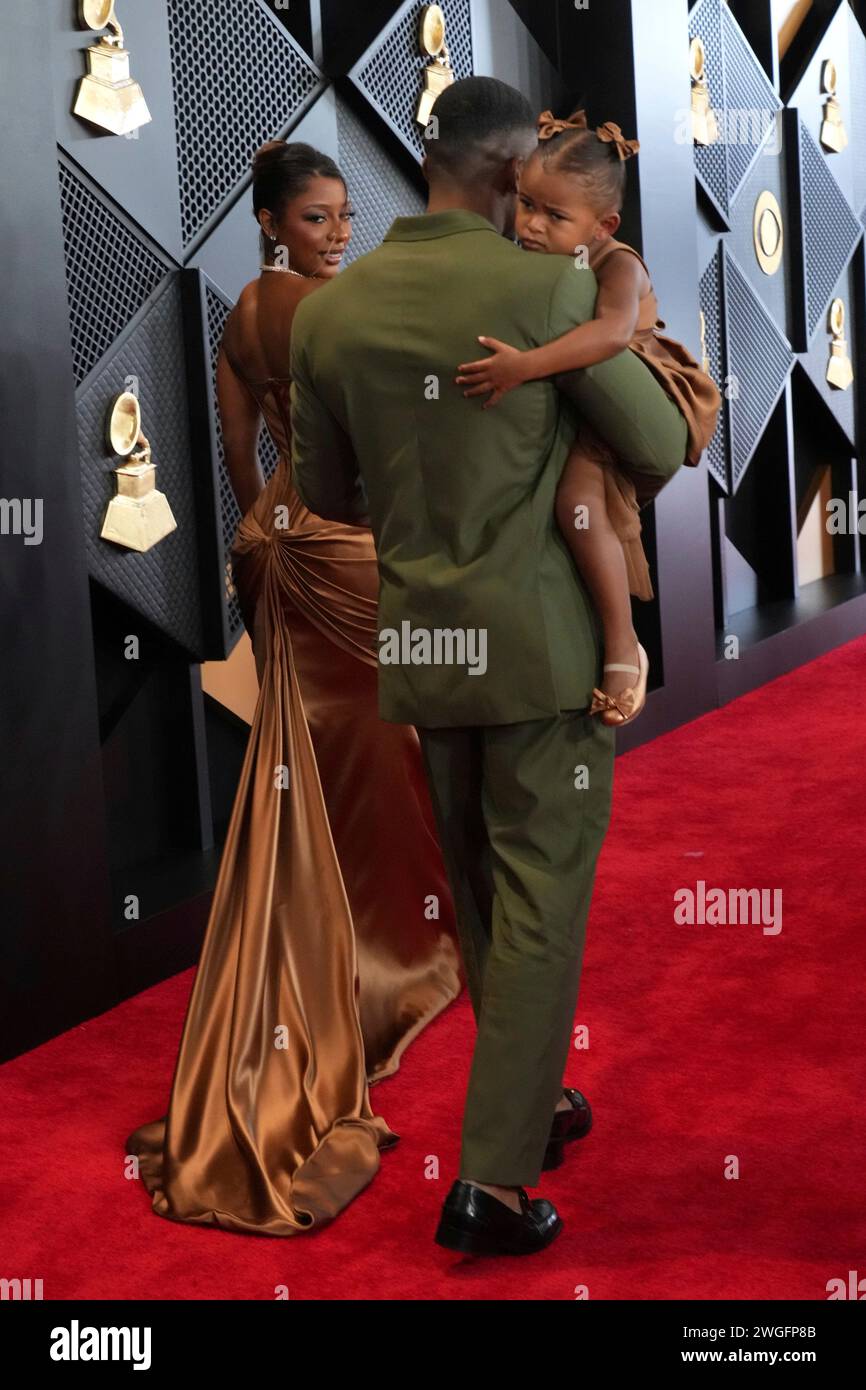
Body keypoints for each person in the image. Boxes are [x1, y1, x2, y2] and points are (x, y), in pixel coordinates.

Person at [289, 77, 689, 1256]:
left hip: (420, 641)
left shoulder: (330, 311)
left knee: (474, 895)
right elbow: (661, 439)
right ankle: (491, 1187)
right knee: (539, 909)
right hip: (537, 650)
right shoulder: (549, 283)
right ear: (515, 170)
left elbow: (323, 496)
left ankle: (532, 1096)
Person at [125, 141, 462, 1238]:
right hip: (348, 550)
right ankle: (392, 959)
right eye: (313, 218)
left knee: (306, 766)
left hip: (271, 547)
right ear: (271, 222)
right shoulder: (335, 312)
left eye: (340, 216)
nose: (335, 234)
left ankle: (352, 956)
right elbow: (369, 459)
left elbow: (234, 447)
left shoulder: (243, 316)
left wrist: (267, 521)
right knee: (386, 750)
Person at [456, 107, 721, 727]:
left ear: (603, 226)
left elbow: (609, 335)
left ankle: (624, 644)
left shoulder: (618, 262)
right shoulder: (532, 255)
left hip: (646, 380)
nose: (532, 225)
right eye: (526, 205)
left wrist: (523, 367)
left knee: (575, 501)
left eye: (555, 216)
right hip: (580, 397)